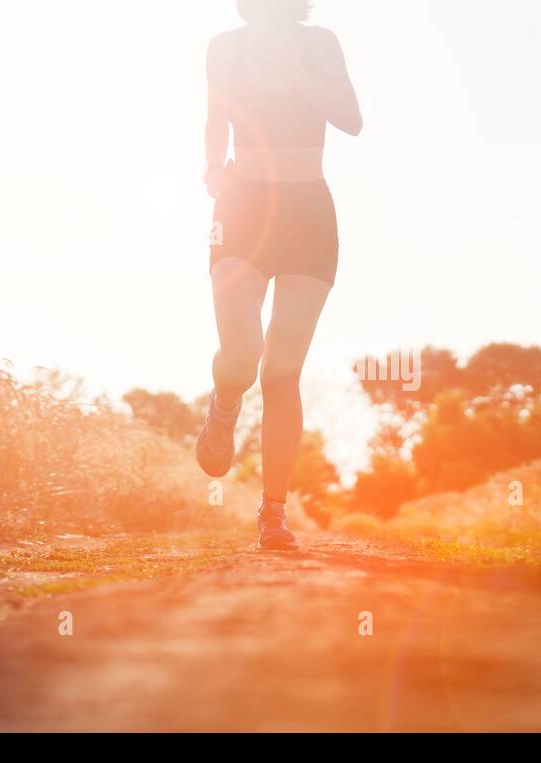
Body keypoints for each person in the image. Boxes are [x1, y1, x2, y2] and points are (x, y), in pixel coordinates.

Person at [196, 0, 362, 549]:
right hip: (242, 208)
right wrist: (213, 166)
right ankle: (223, 409)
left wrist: (299, 77)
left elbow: (351, 120)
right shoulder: (225, 48)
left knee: (282, 373)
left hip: (308, 214)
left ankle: (273, 513)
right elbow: (215, 120)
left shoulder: (321, 45)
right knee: (242, 351)